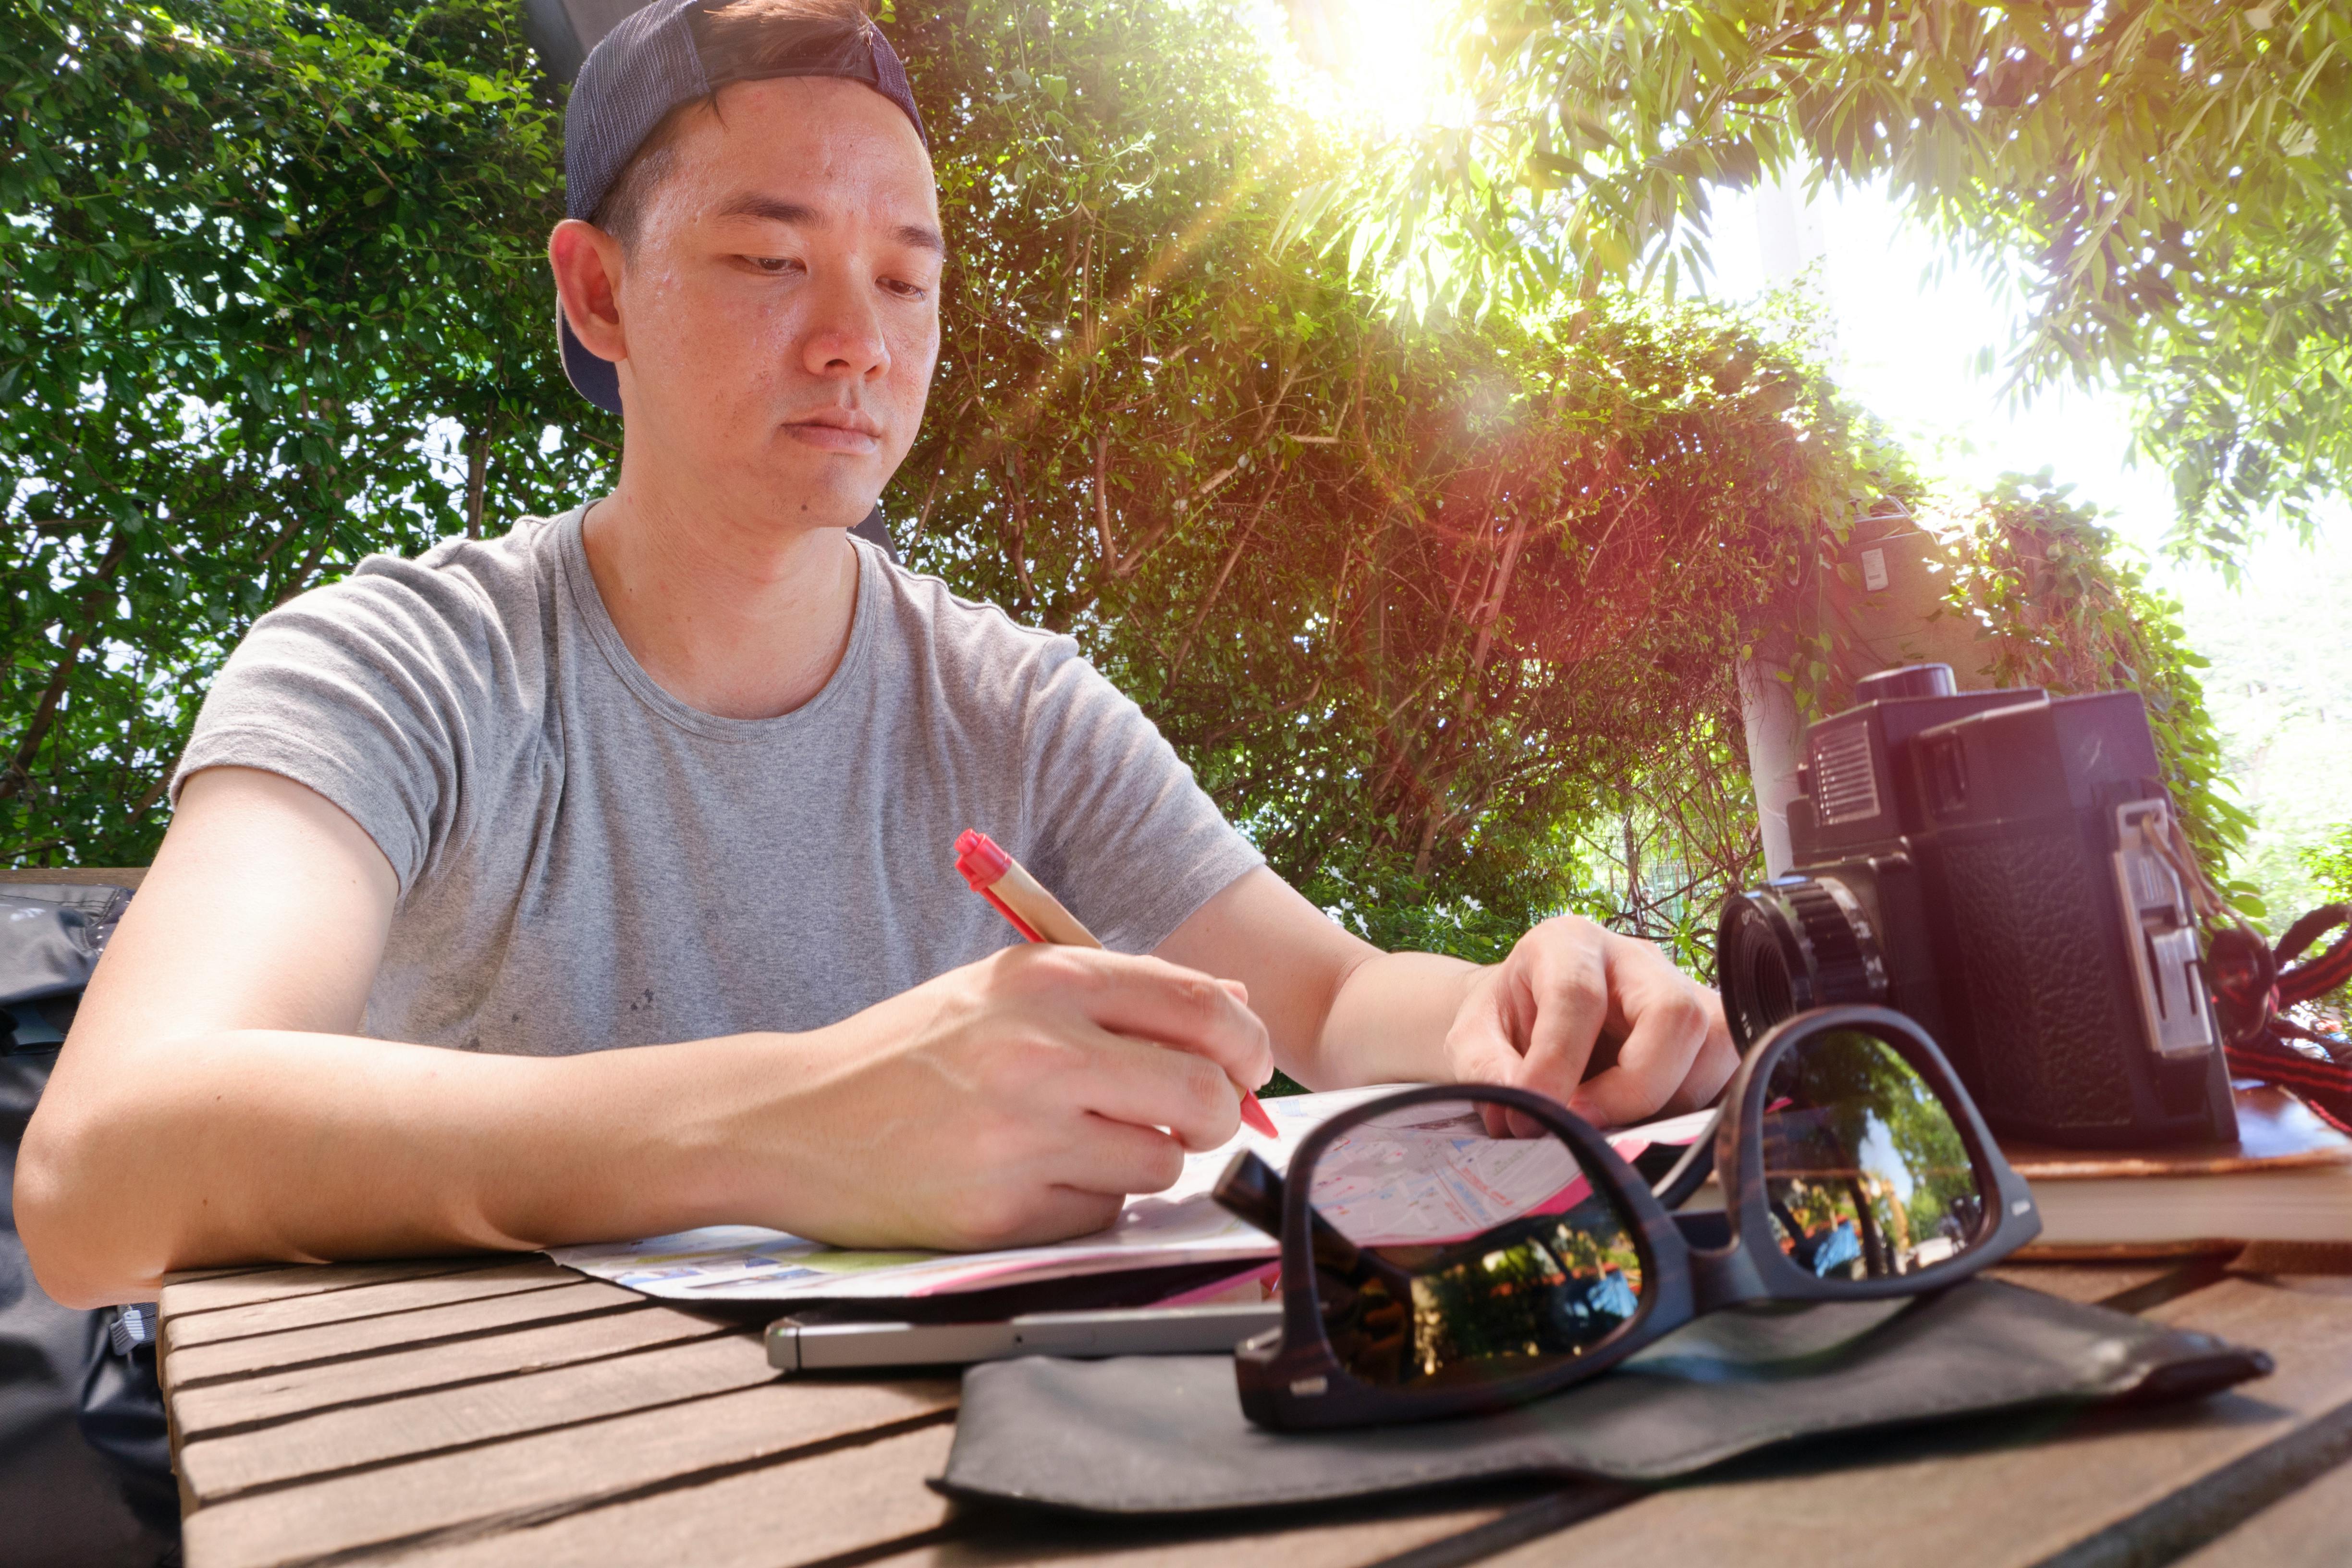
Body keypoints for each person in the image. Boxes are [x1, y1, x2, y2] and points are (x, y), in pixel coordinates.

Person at [15, 0, 1735, 1309]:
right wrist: (798, 1124)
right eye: (770, 258)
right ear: (600, 297)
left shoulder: (1008, 703)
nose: (855, 344)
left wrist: (1521, 1020)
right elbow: (102, 1170)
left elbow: (1333, 996)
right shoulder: (409, 670)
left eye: (906, 284)